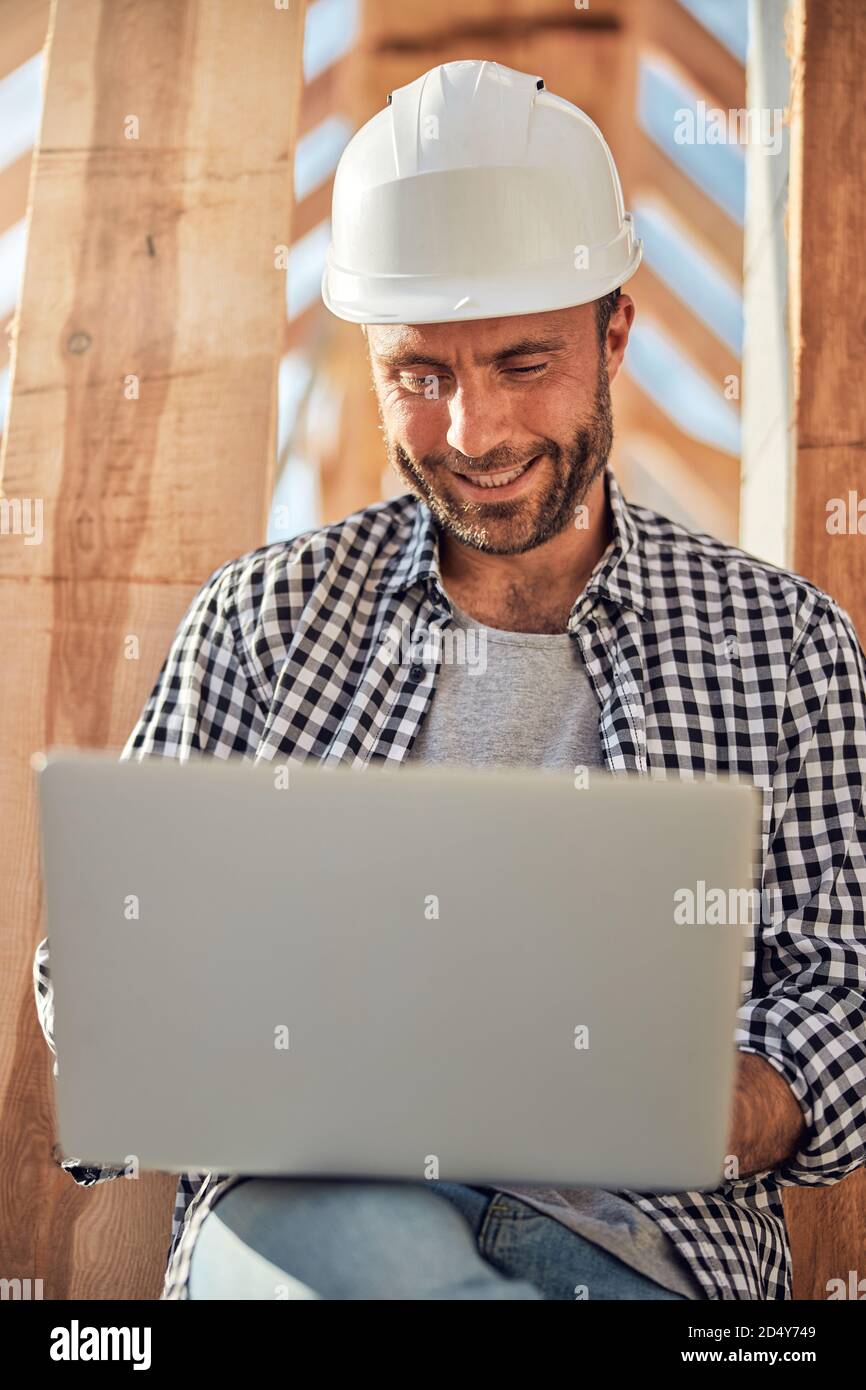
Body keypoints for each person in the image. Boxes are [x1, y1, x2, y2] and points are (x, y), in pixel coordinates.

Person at [34, 59, 866, 1301]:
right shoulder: (264, 621)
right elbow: (98, 960)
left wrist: (736, 1100)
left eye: (522, 363)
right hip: (321, 1213)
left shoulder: (783, 642)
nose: (471, 433)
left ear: (616, 335)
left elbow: (845, 986)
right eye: (418, 375)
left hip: (641, 1238)